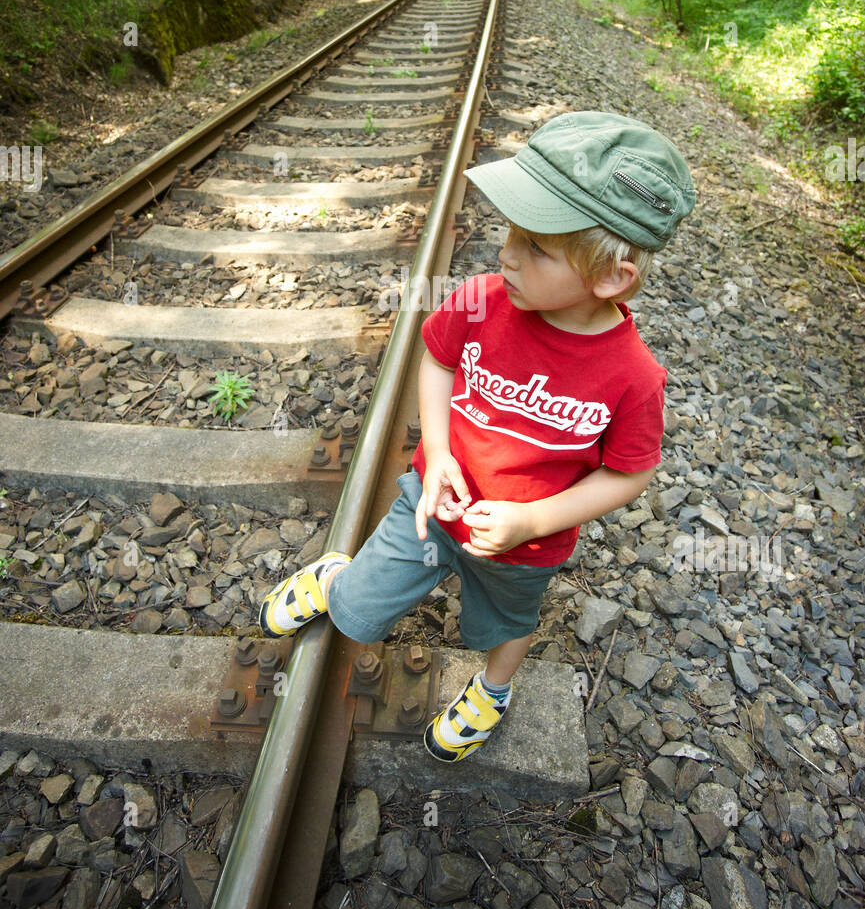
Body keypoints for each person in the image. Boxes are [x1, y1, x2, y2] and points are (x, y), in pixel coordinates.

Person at [259, 111, 696, 763]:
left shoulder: (632, 378)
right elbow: (436, 359)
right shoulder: (479, 299)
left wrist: (532, 519)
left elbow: (629, 472)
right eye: (509, 234)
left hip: (527, 546)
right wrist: (433, 453)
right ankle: (337, 580)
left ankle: (492, 690)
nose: (505, 254)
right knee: (360, 611)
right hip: (433, 502)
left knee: (506, 624)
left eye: (535, 246)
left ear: (609, 278)